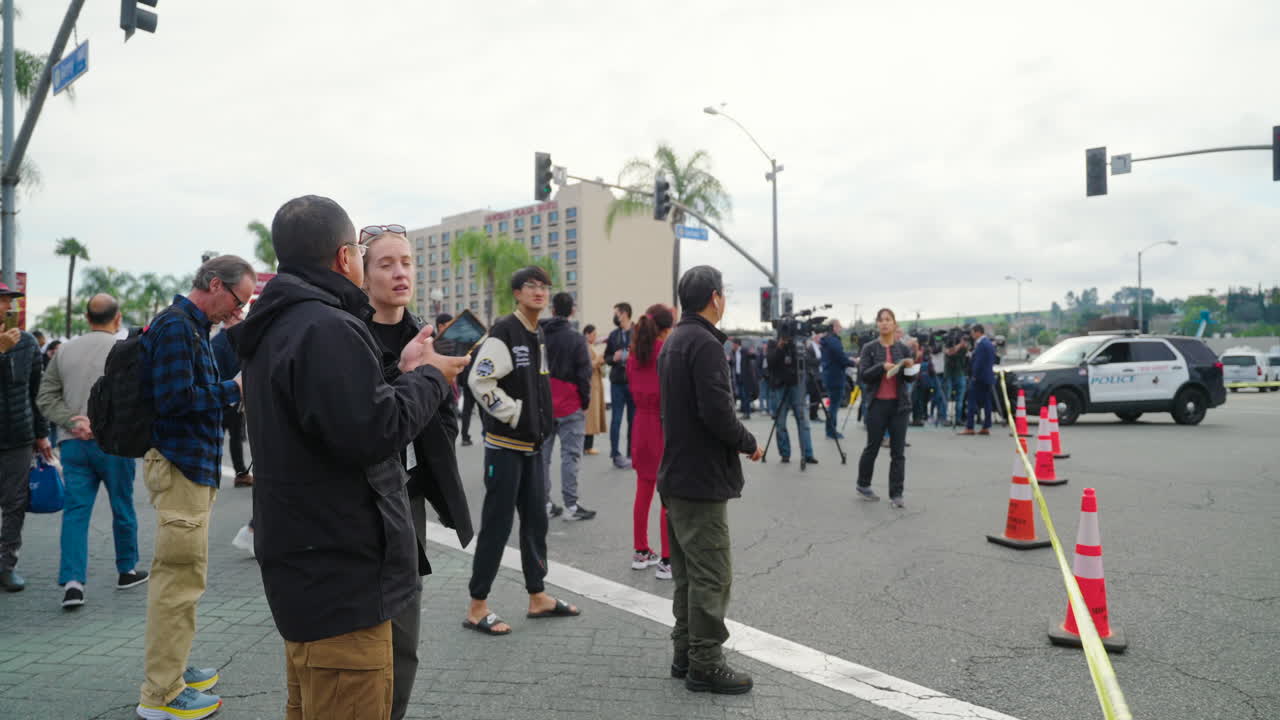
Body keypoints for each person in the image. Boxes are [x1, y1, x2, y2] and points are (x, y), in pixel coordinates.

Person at [228, 199, 466, 720]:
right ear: (344, 259)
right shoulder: (327, 328)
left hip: (306, 569)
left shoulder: (275, 325)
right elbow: (373, 431)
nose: (394, 271)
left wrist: (404, 375)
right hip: (344, 580)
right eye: (373, 257)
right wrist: (428, 377)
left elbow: (342, 423)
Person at [358, 226, 474, 720]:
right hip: (357, 501)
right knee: (363, 635)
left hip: (407, 499)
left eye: (406, 261)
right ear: (362, 275)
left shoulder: (422, 333)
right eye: (386, 263)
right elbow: (362, 417)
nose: (400, 272)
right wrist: (406, 377)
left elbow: (442, 420)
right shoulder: (347, 335)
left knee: (406, 631)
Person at [135, 256, 255, 720]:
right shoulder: (176, 328)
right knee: (177, 582)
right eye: (237, 301)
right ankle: (162, 694)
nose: (238, 312)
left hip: (191, 467)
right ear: (213, 284)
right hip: (181, 466)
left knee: (186, 578)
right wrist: (235, 389)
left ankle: (175, 670)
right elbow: (176, 401)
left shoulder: (189, 327)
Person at [658, 265, 761, 695]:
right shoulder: (705, 343)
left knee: (688, 574)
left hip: (677, 474)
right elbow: (717, 412)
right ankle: (705, 662)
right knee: (712, 575)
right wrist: (748, 441)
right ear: (715, 298)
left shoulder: (675, 341)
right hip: (700, 479)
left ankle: (685, 653)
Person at [464, 266, 581, 636]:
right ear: (516, 292)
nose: (540, 292)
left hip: (533, 446)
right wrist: (513, 413)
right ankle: (477, 605)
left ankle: (537, 595)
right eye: (531, 286)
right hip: (505, 447)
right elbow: (479, 380)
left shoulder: (538, 333)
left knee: (536, 522)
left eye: (545, 286)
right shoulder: (504, 331)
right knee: (497, 526)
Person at [37, 294, 148, 609]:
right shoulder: (125, 349)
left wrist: (73, 420)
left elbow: (46, 397)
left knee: (75, 513)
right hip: (113, 444)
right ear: (117, 318)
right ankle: (126, 569)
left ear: (86, 318)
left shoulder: (64, 351)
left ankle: (73, 583)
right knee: (122, 506)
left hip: (73, 444)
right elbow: (134, 398)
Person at [0, 280, 53, 594]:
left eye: (10, 301)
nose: (9, 307)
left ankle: (6, 565)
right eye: (4, 301)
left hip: (18, 436)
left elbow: (37, 392)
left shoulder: (28, 343)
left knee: (15, 503)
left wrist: (41, 434)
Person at [628, 304, 675, 580]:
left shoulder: (635, 354)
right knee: (667, 495)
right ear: (667, 329)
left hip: (640, 425)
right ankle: (668, 560)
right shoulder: (666, 354)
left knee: (643, 490)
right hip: (661, 424)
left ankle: (641, 550)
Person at [540, 292, 595, 521]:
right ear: (572, 311)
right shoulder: (576, 339)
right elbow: (584, 373)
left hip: (543, 402)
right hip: (570, 403)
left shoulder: (538, 336)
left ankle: (544, 503)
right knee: (570, 456)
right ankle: (571, 506)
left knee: (542, 456)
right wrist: (584, 400)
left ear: (552, 310)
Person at [855, 308, 916, 509]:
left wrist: (908, 366)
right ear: (877, 324)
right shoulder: (869, 348)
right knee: (872, 446)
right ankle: (863, 484)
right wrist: (882, 366)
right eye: (881, 320)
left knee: (898, 452)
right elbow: (863, 375)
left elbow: (910, 379)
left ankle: (896, 494)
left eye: (888, 320)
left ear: (894, 324)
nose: (884, 323)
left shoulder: (904, 348)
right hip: (876, 404)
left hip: (899, 406)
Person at [211, 314, 251, 488]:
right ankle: (241, 473)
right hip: (232, 396)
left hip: (215, 397)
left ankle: (211, 474)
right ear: (233, 317)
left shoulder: (214, 341)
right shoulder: (235, 341)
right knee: (235, 439)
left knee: (214, 439)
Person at [766, 336, 819, 465]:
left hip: (797, 384)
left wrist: (801, 349)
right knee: (780, 422)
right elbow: (771, 362)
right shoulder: (773, 343)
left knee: (803, 421)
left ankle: (807, 454)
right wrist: (780, 346)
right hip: (780, 385)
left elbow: (808, 362)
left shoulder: (798, 342)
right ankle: (785, 454)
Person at [604, 301, 635, 469]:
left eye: (616, 313)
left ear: (624, 313)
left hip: (633, 382)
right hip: (617, 382)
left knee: (633, 419)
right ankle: (615, 454)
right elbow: (606, 357)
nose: (614, 316)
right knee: (615, 419)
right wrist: (613, 358)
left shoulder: (638, 332)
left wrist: (631, 355)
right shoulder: (613, 335)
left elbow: (646, 353)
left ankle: (632, 454)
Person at [819, 321, 854, 439]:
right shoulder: (833, 341)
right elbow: (841, 358)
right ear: (833, 327)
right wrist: (853, 362)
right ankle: (831, 431)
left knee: (833, 405)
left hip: (830, 376)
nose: (841, 328)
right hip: (835, 377)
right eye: (839, 326)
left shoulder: (827, 340)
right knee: (834, 406)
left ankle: (830, 430)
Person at [961, 324, 997, 436]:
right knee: (986, 401)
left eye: (972, 332)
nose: (971, 335)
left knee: (972, 401)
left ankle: (970, 426)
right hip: (987, 377)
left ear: (978, 332)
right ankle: (986, 426)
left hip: (979, 377)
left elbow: (978, 362)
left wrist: (974, 375)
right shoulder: (989, 343)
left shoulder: (981, 344)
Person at [582, 325, 607, 456]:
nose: (594, 337)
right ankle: (587, 446)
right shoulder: (585, 347)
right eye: (593, 334)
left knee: (592, 416)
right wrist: (598, 359)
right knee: (590, 417)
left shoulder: (589, 346)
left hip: (595, 383)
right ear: (587, 334)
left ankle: (587, 445)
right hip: (591, 384)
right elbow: (588, 364)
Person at [942, 329, 970, 427]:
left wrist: (962, 344)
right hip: (949, 374)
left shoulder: (964, 347)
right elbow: (949, 352)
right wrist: (958, 345)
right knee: (946, 397)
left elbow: (967, 350)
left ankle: (958, 419)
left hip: (960, 373)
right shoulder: (947, 344)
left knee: (960, 398)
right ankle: (945, 419)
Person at [729, 338, 757, 419]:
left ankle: (747, 413)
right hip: (737, 377)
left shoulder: (744, 351)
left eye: (733, 344)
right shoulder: (733, 352)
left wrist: (752, 353)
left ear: (737, 344)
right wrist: (729, 361)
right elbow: (733, 363)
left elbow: (753, 356)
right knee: (741, 395)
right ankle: (744, 411)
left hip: (745, 378)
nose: (732, 346)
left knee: (746, 395)